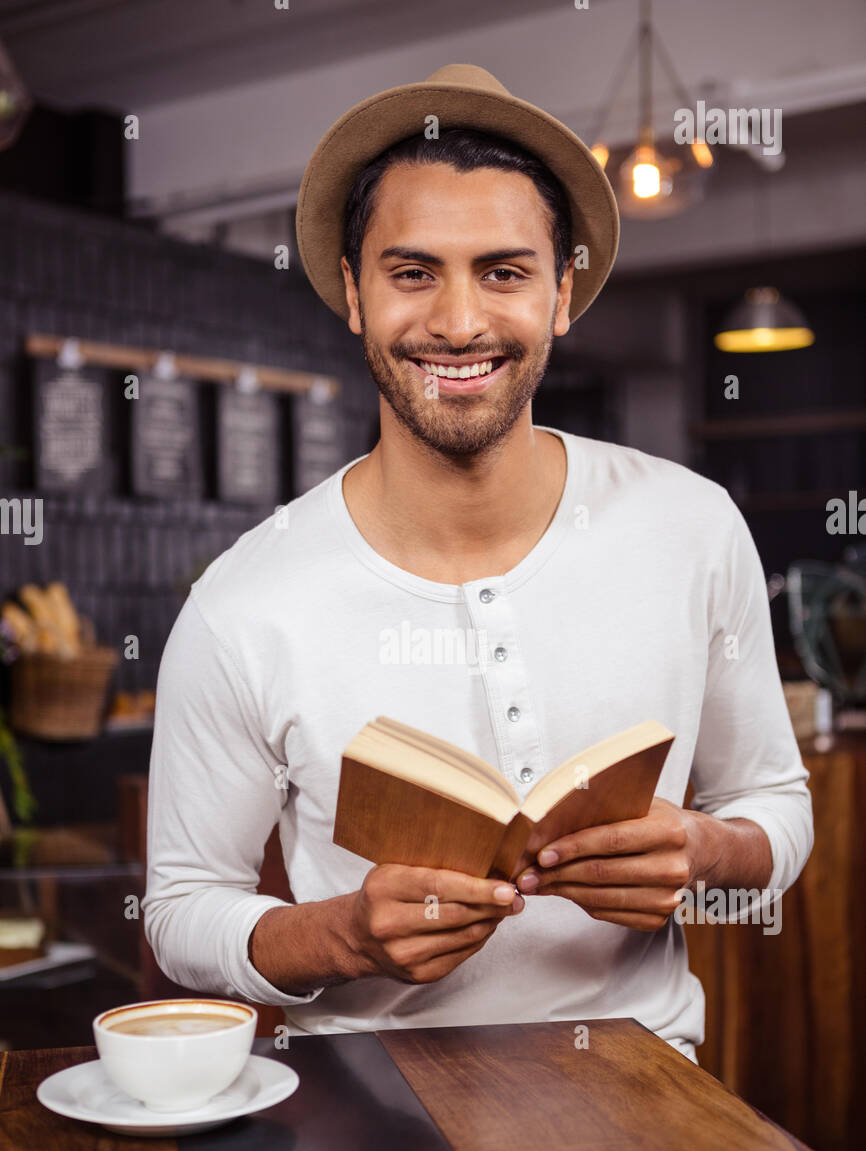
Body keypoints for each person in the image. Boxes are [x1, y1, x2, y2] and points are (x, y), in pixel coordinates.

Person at [142, 66, 813, 1065]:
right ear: (354, 294)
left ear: (562, 295)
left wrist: (706, 851)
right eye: (412, 272)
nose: (457, 323)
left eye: (502, 271)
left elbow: (776, 807)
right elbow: (181, 910)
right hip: (368, 1118)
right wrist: (342, 933)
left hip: (652, 1092)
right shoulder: (243, 602)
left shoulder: (692, 527)